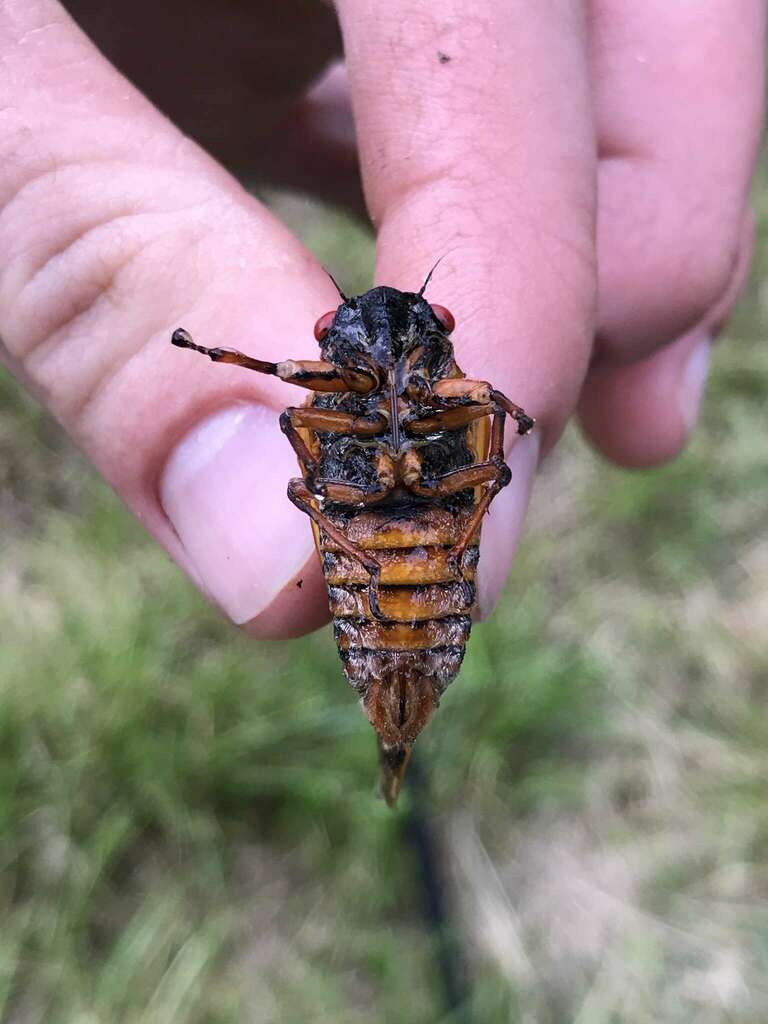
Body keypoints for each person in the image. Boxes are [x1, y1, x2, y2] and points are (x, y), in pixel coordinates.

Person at [0, 1, 763, 635]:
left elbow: (489, 411)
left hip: (411, 539)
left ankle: (426, 622)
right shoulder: (354, 393)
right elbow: (297, 400)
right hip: (374, 542)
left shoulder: (436, 389)